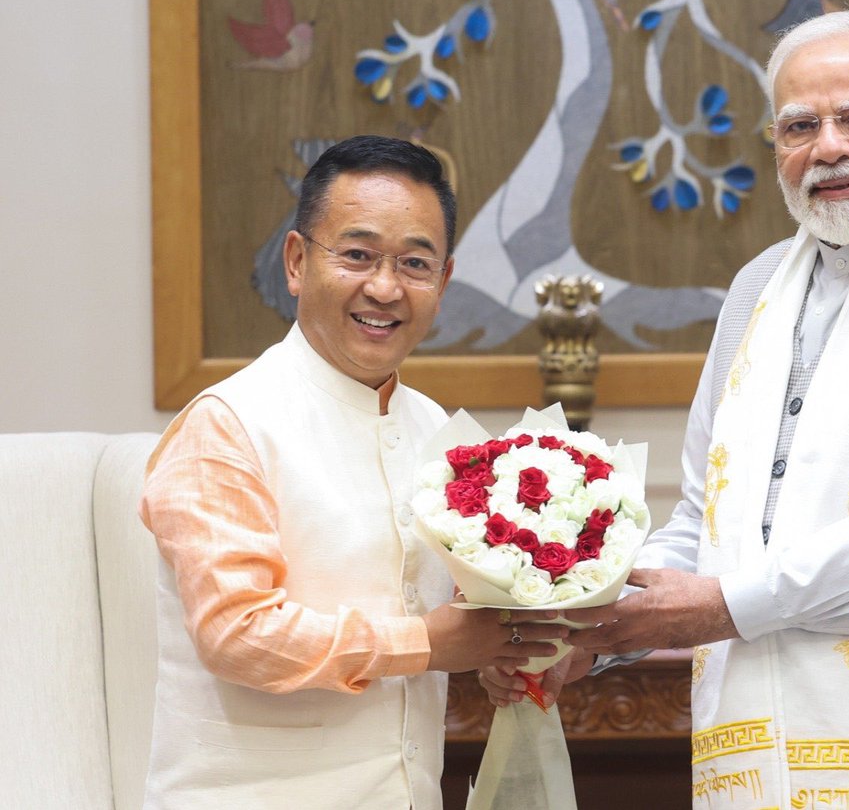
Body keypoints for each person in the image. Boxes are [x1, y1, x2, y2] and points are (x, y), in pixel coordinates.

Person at [483, 11, 849, 809]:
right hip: (760, 743)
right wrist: (587, 632)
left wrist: (726, 607)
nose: (829, 148)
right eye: (800, 126)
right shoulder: (756, 293)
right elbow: (704, 520)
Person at [139, 135, 567, 809]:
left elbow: (473, 618)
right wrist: (425, 644)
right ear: (297, 261)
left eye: (414, 263)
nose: (385, 287)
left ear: (444, 282)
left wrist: (501, 658)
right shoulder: (227, 423)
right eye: (358, 255)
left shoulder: (446, 437)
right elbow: (237, 633)